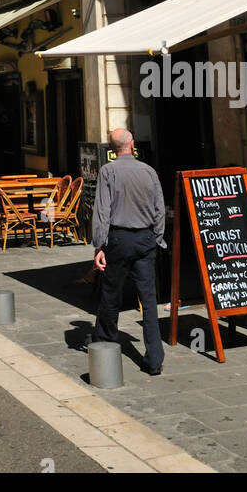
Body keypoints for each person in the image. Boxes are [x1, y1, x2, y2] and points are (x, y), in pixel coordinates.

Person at [91, 128, 166, 376]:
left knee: (111, 294)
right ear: (132, 144)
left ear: (112, 149)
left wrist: (99, 245)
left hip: (119, 238)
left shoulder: (108, 171)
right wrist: (156, 236)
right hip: (145, 238)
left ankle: (107, 347)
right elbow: (159, 210)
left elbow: (102, 211)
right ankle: (155, 359)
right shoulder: (149, 171)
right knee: (149, 299)